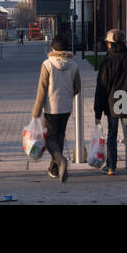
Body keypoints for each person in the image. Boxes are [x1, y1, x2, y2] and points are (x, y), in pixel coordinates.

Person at [93, 28, 127, 180]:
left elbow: (101, 88)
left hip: (112, 104)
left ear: (110, 44)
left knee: (112, 134)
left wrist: (97, 112)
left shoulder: (107, 62)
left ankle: (111, 166)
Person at [32, 34, 82, 182]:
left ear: (53, 47)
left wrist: (36, 110)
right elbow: (77, 87)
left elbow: (42, 89)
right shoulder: (74, 65)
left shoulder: (47, 64)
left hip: (50, 108)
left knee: (48, 139)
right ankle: (54, 169)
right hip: (66, 108)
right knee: (59, 136)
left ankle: (60, 161)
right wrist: (68, 95)